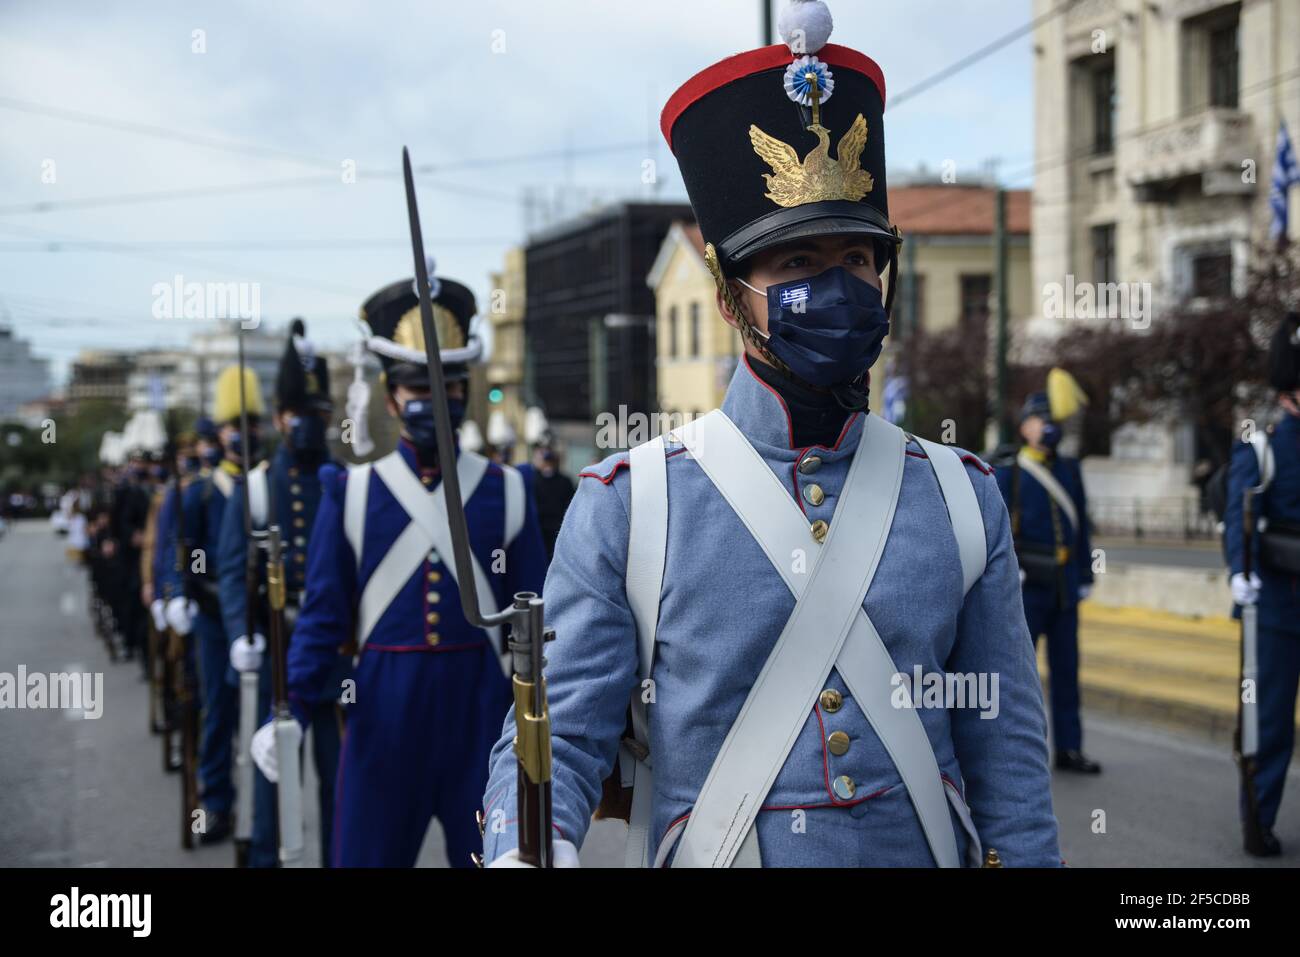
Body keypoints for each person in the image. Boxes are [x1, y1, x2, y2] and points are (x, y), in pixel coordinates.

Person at [482, 0, 1059, 868]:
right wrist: (527, 849)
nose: (839, 286)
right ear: (727, 295)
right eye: (797, 263)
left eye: (856, 260)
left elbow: (1006, 759)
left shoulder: (964, 498)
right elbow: (556, 745)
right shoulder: (630, 508)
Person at [252, 267, 547, 867]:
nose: (437, 399)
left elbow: (543, 627)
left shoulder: (509, 490)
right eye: (418, 386)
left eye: (451, 384)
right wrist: (297, 709)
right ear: (390, 395)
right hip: (382, 712)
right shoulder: (352, 493)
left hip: (484, 719)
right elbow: (323, 618)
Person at [217, 319, 348, 867]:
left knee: (340, 786)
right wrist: (236, 637)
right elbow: (228, 569)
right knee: (273, 788)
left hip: (337, 657)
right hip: (275, 655)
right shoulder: (256, 488)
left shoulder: (347, 485)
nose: (307, 427)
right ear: (278, 419)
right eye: (298, 416)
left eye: (317, 416)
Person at [163, 369, 266, 845]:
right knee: (218, 711)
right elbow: (176, 550)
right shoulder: (201, 491)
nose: (242, 433)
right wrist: (175, 594)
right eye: (234, 425)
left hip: (259, 620)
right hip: (211, 618)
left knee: (268, 718)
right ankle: (218, 803)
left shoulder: (267, 484)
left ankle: (267, 814)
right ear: (219, 433)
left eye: (251, 423)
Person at [1223, 310, 1300, 857]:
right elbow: (1241, 518)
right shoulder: (1264, 447)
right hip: (1276, 603)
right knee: (1268, 723)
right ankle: (1259, 821)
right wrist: (1240, 573)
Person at [994, 393, 1100, 775]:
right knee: (1019, 676)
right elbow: (999, 528)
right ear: (1025, 427)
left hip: (1063, 586)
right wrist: (1009, 569)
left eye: (1050, 419)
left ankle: (1069, 748)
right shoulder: (1012, 470)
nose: (1047, 426)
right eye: (1039, 419)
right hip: (1027, 586)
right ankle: (1012, 753)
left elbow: (1080, 526)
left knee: (1067, 671)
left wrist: (1085, 575)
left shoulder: (1069, 469)